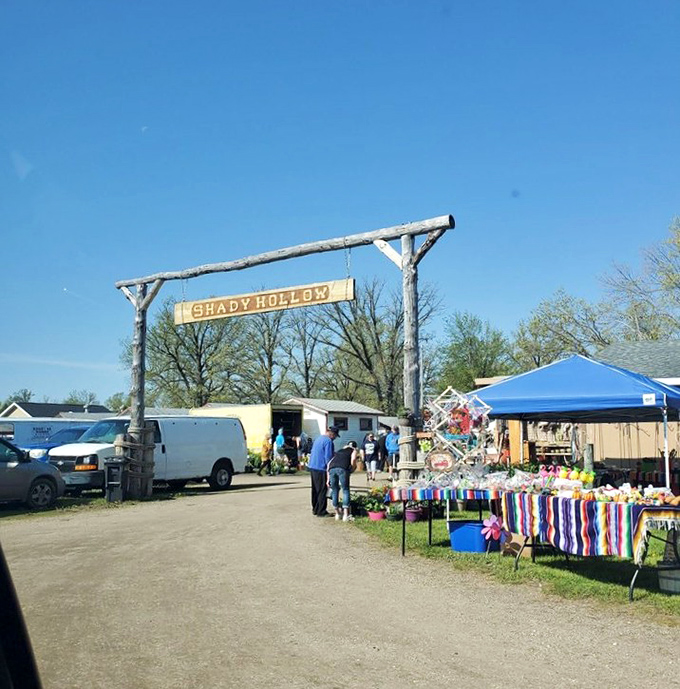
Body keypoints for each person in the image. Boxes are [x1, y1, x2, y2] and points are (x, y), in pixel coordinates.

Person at [307, 426, 339, 516]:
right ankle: (321, 511)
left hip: (313, 466)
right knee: (322, 489)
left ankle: (315, 508)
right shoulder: (328, 441)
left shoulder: (318, 438)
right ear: (332, 434)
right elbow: (328, 457)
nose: (335, 438)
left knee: (315, 489)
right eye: (335, 436)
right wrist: (330, 468)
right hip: (321, 468)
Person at [327, 440, 358, 522]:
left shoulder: (339, 451)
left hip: (332, 469)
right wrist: (353, 467)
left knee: (334, 490)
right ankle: (346, 515)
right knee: (345, 490)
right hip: (342, 469)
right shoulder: (353, 450)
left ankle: (337, 514)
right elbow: (354, 459)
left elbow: (329, 464)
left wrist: (327, 479)